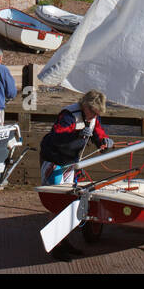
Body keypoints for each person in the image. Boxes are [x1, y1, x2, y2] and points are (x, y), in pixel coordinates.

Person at [39, 90, 114, 261]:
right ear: (85, 106)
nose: (94, 116)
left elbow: (98, 133)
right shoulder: (68, 115)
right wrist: (77, 135)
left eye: (97, 113)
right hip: (55, 161)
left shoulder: (93, 117)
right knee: (56, 203)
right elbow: (57, 138)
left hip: (71, 163)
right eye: (93, 112)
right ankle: (56, 246)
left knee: (67, 202)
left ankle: (63, 241)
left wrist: (104, 141)